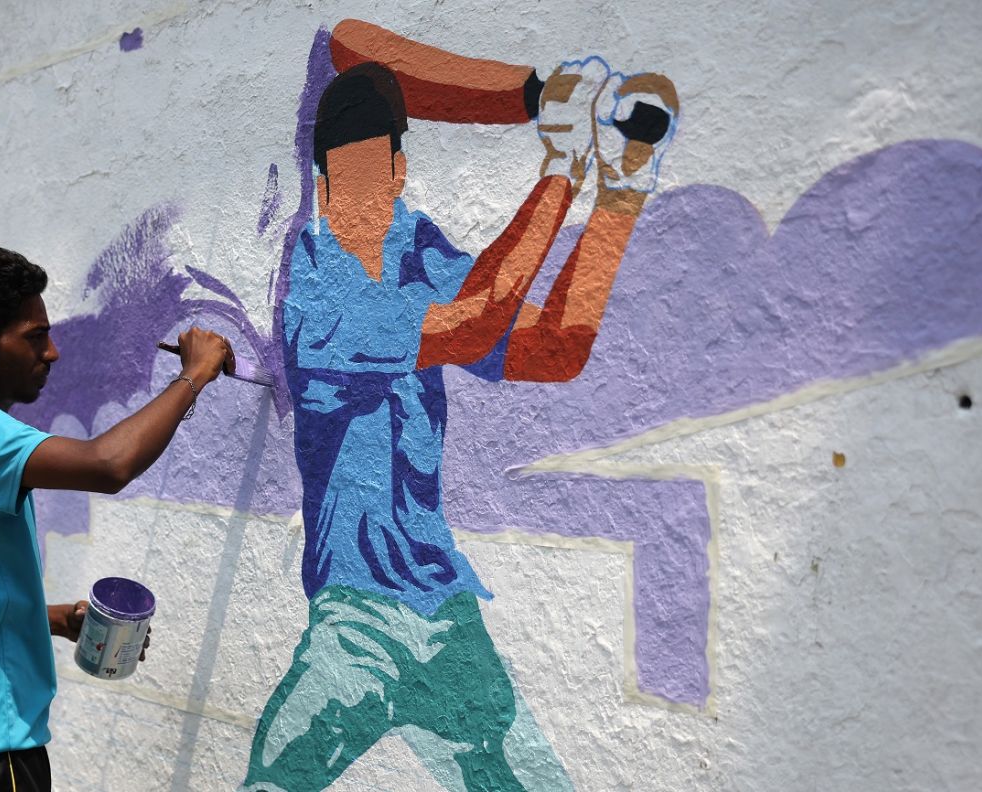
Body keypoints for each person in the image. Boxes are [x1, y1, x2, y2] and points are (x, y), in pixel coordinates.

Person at [243, 58, 678, 791]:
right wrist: (558, 169)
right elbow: (475, 323)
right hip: (356, 624)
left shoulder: (417, 253)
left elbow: (553, 349)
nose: (360, 208)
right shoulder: (315, 296)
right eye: (344, 189)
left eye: (374, 182)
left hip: (446, 619)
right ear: (322, 191)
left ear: (400, 174)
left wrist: (618, 195)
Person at [0, 240, 232, 791]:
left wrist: (53, 619)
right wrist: (194, 374)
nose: (51, 352)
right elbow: (109, 464)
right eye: (34, 336)